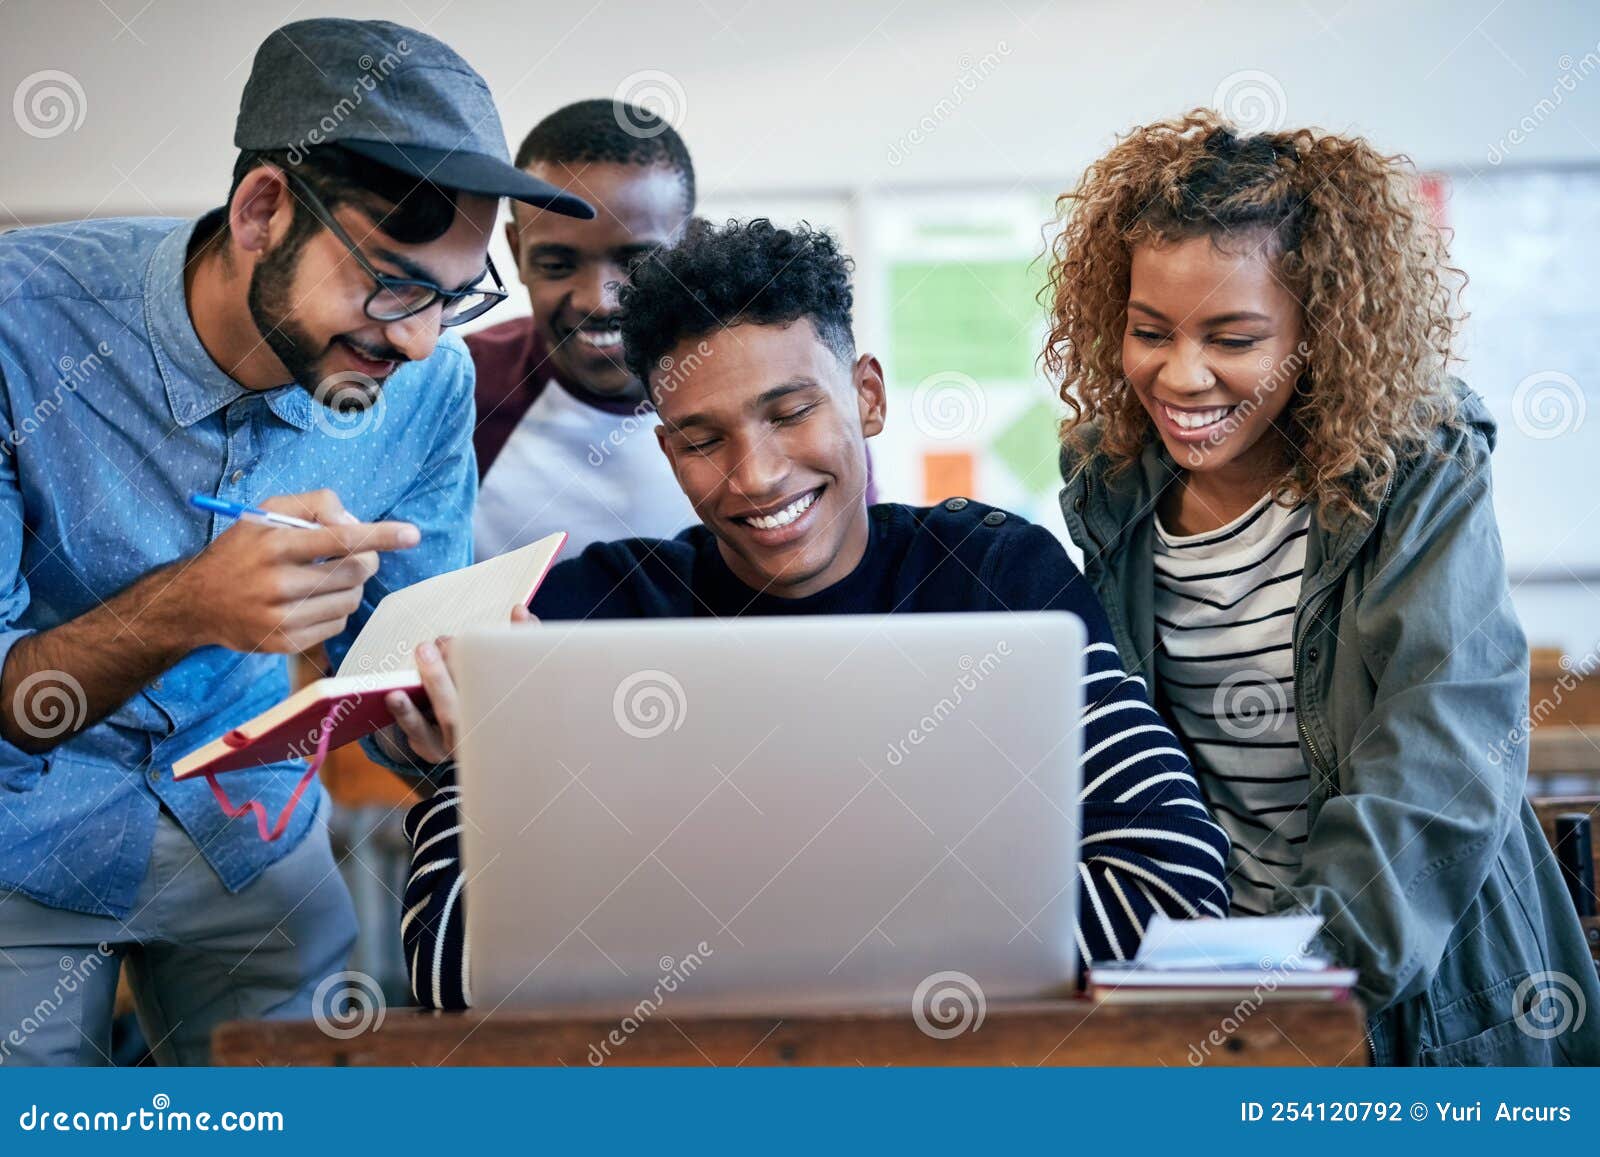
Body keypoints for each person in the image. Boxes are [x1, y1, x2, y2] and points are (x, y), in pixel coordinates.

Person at [386, 218, 1229, 1009]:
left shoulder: (1000, 575)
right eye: (701, 439)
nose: (754, 475)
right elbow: (453, 965)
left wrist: (713, 945)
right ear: (667, 449)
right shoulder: (590, 617)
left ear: (866, 396)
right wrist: (459, 773)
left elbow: (1174, 893)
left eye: (791, 412)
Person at [0, 18, 592, 1065]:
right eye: (396, 281)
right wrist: (191, 602)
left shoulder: (430, 381)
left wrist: (424, 716)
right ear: (263, 210)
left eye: (454, 300)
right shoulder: (21, 324)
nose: (416, 340)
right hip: (20, 834)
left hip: (246, 826)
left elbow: (399, 648)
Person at [1046, 109, 1600, 1064]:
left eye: (1235, 337)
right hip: (1200, 992)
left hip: (1405, 1001)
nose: (1181, 374)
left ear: (1322, 335)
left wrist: (1296, 990)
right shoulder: (1112, 485)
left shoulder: (1411, 470)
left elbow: (1445, 751)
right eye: (1150, 331)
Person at [469, 99, 700, 558]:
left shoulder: (765, 388)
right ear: (517, 252)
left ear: (689, 245)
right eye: (557, 264)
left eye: (638, 262)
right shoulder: (455, 393)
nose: (599, 301)